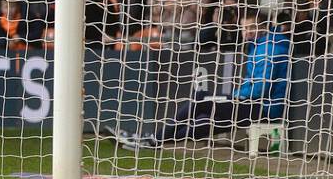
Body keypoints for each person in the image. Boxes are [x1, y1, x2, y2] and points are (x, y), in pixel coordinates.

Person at [117, 14, 291, 149]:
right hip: (252, 103)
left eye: (252, 27)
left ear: (263, 27)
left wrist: (236, 96)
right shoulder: (260, 46)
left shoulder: (270, 48)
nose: (248, 32)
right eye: (245, 28)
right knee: (204, 120)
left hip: (264, 108)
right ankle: (153, 140)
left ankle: (154, 139)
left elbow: (260, 89)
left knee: (201, 99)